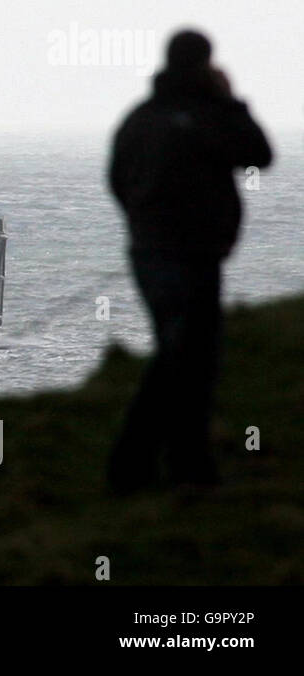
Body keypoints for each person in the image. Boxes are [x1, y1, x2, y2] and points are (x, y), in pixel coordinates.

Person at [106, 29, 272, 492]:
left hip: (152, 251)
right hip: (196, 253)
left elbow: (118, 179)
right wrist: (230, 100)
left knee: (182, 354)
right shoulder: (208, 116)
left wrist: (143, 223)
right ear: (204, 65)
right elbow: (260, 154)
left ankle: (176, 464)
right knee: (190, 355)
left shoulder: (139, 119)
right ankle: (148, 463)